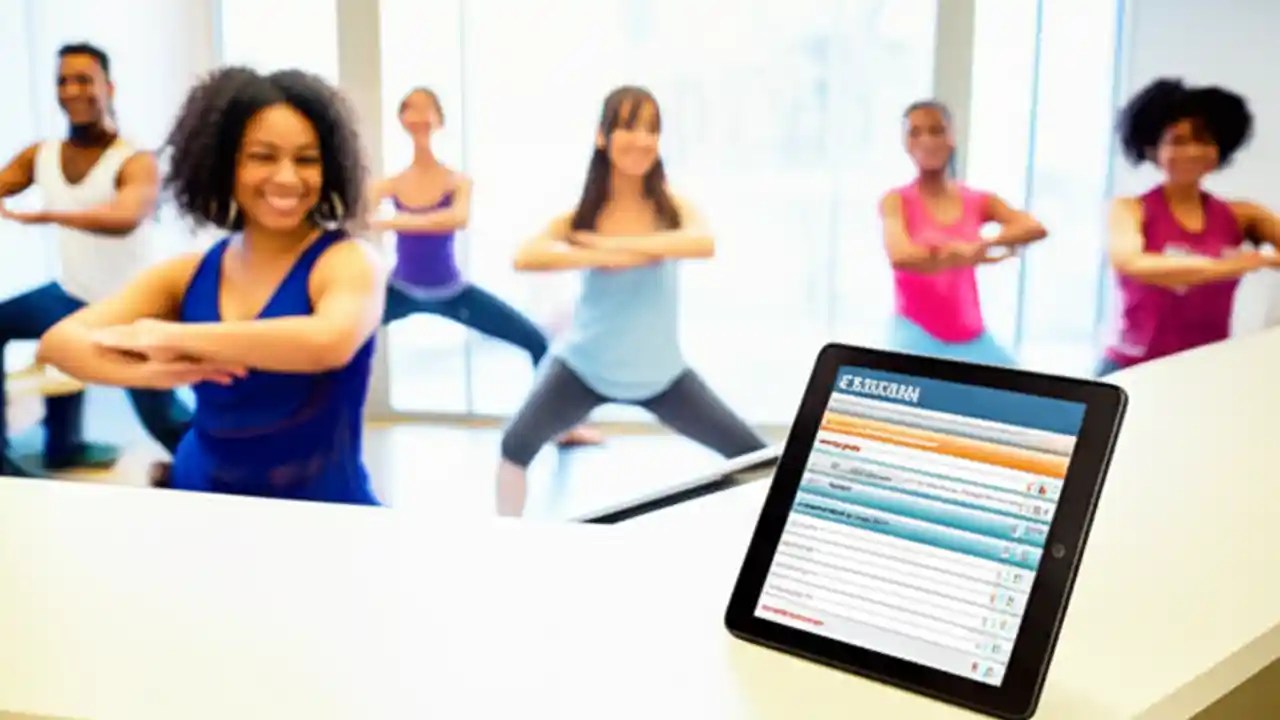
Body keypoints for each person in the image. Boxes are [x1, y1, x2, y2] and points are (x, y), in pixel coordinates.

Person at [38, 66, 386, 505]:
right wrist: (151, 371)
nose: (287, 177)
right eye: (263, 156)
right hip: (202, 497)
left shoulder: (349, 262)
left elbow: (327, 341)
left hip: (324, 511)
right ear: (226, 163)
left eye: (306, 159)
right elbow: (58, 343)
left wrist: (173, 337)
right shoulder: (185, 275)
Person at [495, 85, 766, 517]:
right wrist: (598, 252)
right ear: (602, 136)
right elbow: (525, 255)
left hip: (662, 375)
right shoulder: (584, 213)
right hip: (584, 367)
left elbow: (703, 243)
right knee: (515, 445)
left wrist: (620, 250)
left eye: (652, 128)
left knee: (754, 456)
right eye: (629, 126)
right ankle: (504, 546)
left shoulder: (672, 209)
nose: (642, 139)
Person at [0, 42, 191, 475]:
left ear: (109, 87)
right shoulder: (41, 154)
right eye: (63, 81)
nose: (72, 90)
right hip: (71, 294)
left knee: (164, 417)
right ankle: (58, 447)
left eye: (83, 79)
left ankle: (227, 468)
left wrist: (45, 215)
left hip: (131, 307)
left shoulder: (136, 160)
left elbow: (124, 217)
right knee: (31, 328)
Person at [368, 87, 597, 445]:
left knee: (536, 340)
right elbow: (359, 215)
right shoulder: (391, 184)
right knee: (336, 338)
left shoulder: (457, 181)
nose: (419, 117)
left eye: (427, 110)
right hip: (401, 290)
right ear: (401, 119)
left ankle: (560, 426)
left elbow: (457, 218)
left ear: (439, 120)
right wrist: (397, 220)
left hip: (452, 291)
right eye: (410, 109)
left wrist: (391, 221)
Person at [1100, 78, 1280, 375]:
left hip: (1204, 369)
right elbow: (1130, 262)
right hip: (1131, 368)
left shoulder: (1243, 215)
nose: (1192, 151)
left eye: (1204, 141)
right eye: (1178, 141)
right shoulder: (1130, 209)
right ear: (1151, 149)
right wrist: (1243, 263)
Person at [878, 100, 1048, 367]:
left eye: (936, 130)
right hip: (914, 336)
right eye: (916, 132)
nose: (927, 140)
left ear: (951, 137)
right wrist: (960, 254)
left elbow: (1033, 228)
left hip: (970, 336)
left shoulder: (976, 200)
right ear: (906, 142)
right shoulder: (896, 200)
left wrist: (984, 244)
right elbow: (900, 255)